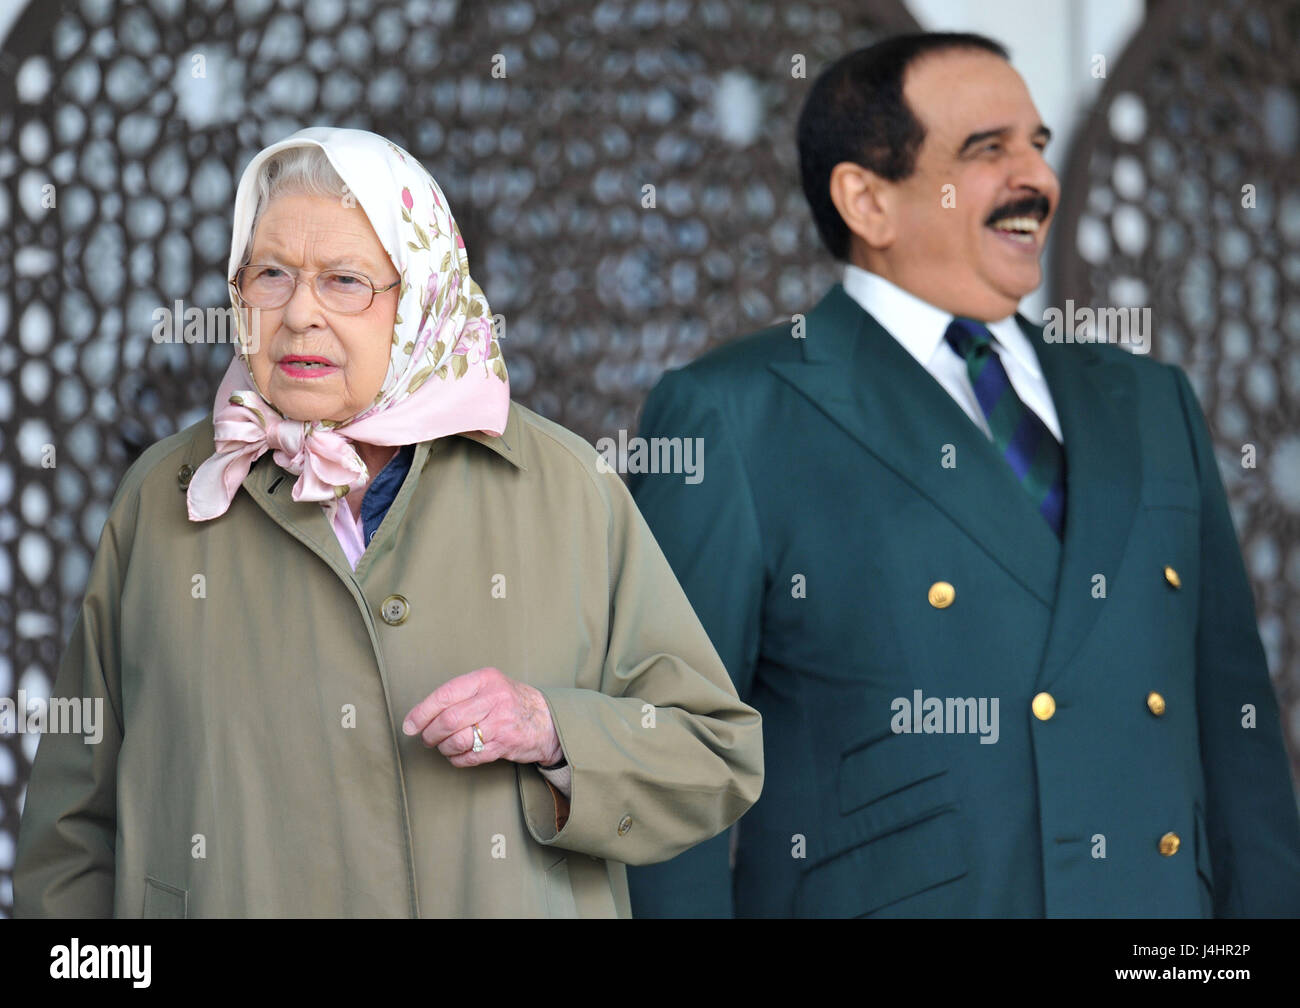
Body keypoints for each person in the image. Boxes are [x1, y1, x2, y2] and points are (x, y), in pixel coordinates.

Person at [626, 32, 1300, 917]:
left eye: (1037, 146)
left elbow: (1238, 748)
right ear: (867, 199)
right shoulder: (734, 413)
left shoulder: (1150, 401)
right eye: (989, 150)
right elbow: (669, 774)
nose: (1037, 181)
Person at [13, 127, 763, 918]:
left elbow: (713, 752)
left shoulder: (567, 486)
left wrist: (552, 731)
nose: (298, 314)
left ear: (425, 296)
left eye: (344, 281)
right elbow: (71, 830)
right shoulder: (164, 494)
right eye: (270, 275)